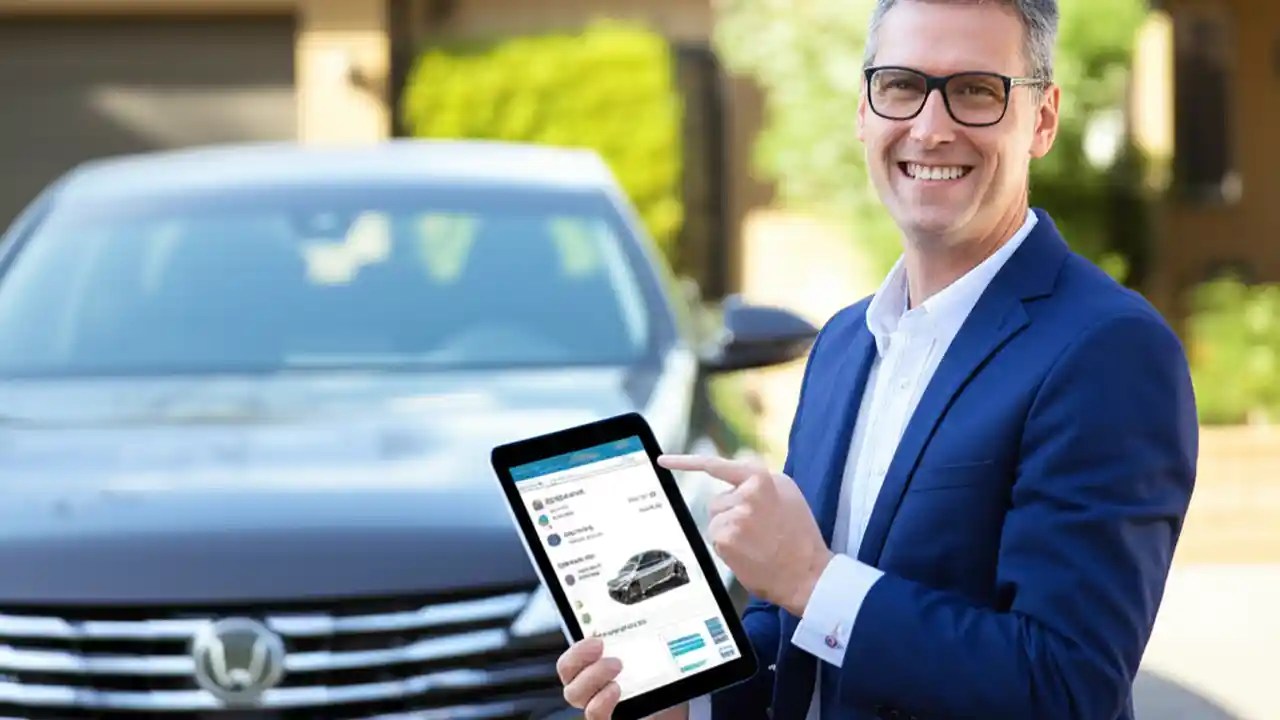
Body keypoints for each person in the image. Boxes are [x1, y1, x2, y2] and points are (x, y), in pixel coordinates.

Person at [555, 0, 1199, 717]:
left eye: (976, 91)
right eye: (900, 84)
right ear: (864, 109)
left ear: (1042, 120)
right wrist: (682, 699)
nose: (929, 126)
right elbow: (797, 634)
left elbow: (1066, 686)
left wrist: (812, 578)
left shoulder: (1107, 350)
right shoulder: (842, 344)